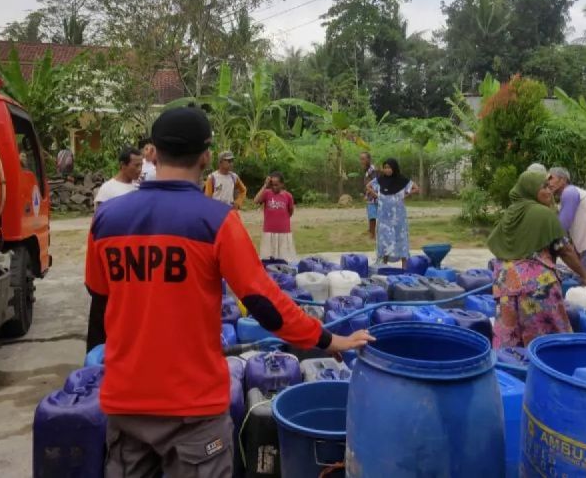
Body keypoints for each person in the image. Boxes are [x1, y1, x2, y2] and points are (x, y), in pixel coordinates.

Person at [84, 107, 373, 478]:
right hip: (194, 409)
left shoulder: (107, 218)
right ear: (206, 155)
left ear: (153, 151)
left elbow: (99, 290)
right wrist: (328, 339)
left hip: (124, 403)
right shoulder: (216, 221)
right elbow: (265, 305)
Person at [488, 171, 586, 348]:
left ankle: (511, 372)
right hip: (537, 287)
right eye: (543, 187)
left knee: (510, 341)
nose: (549, 192)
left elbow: (495, 241)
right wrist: (585, 277)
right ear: (531, 189)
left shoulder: (511, 212)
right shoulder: (543, 214)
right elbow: (565, 250)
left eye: (550, 187)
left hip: (505, 286)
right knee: (546, 341)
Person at [366, 158, 419, 268]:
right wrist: (377, 196)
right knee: (384, 238)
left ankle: (404, 265)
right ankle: (384, 264)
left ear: (394, 168)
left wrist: (405, 195)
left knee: (401, 237)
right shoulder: (380, 180)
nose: (387, 170)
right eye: (385, 168)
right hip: (384, 216)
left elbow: (416, 188)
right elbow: (368, 186)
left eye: (389, 167)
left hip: (399, 216)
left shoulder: (402, 180)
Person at [254, 172, 296, 261]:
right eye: (272, 185)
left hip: (284, 233)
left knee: (284, 259)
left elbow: (290, 211)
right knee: (268, 259)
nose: (274, 187)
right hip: (269, 233)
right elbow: (256, 200)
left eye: (276, 185)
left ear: (282, 184)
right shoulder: (266, 193)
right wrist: (265, 185)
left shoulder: (288, 196)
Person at [360, 152, 378, 238]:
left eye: (363, 159)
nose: (361, 161)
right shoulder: (368, 170)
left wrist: (369, 193)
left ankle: (372, 234)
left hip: (374, 196)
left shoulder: (372, 170)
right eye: (361, 159)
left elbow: (374, 183)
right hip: (371, 196)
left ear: (368, 159)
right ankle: (371, 231)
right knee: (371, 214)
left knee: (372, 215)